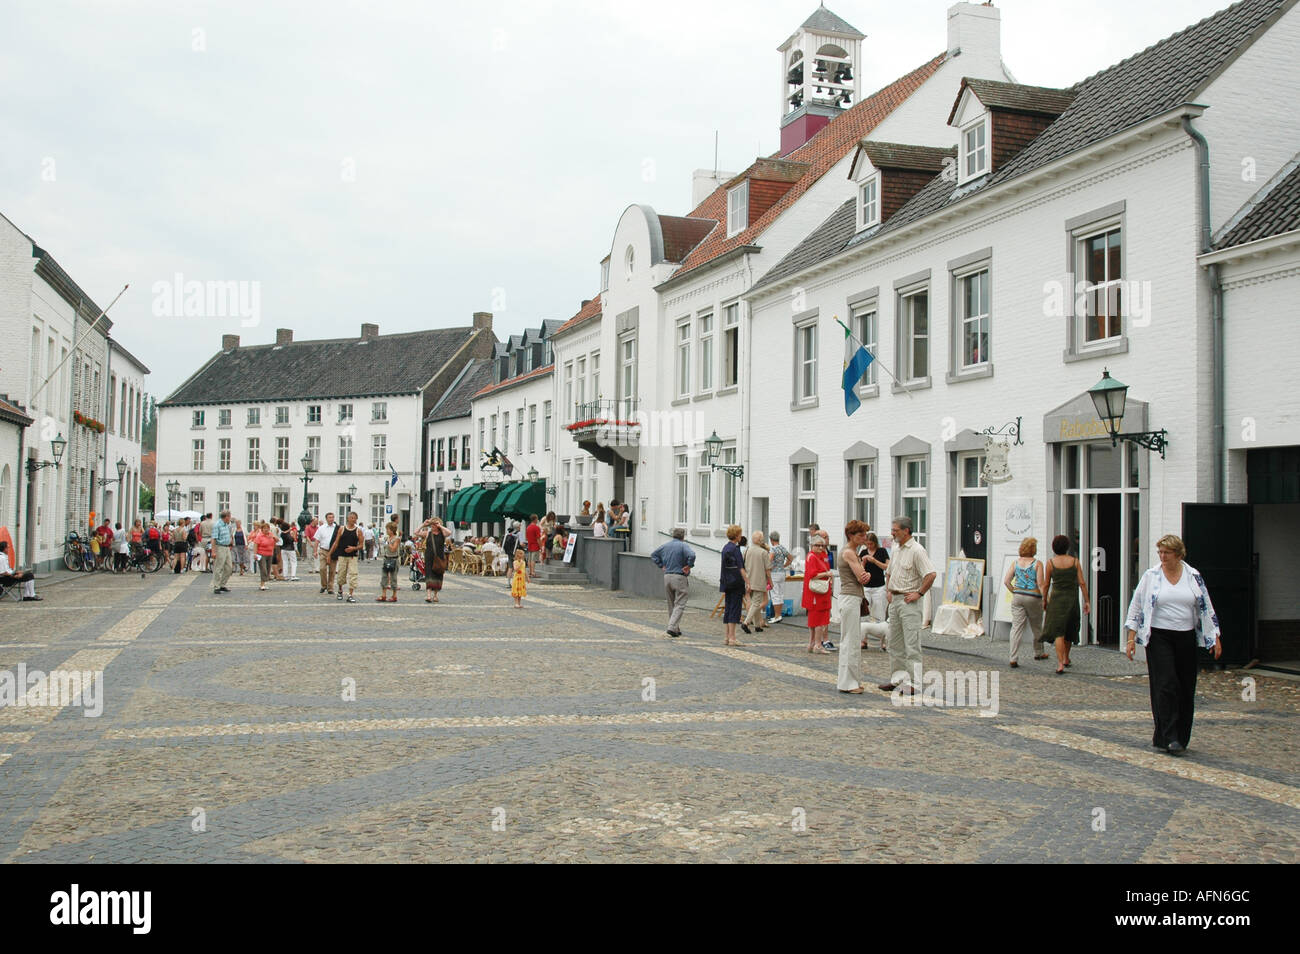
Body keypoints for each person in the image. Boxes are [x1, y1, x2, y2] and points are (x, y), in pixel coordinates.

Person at [1124, 534, 1222, 756]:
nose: (1162, 556)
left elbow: (1206, 607)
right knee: (1166, 683)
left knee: (1185, 686)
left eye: (1166, 553)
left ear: (1178, 554)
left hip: (1185, 636)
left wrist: (1214, 637)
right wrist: (1131, 638)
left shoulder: (1193, 576)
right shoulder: (1151, 576)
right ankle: (1169, 736)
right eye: (1160, 552)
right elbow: (1136, 606)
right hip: (1159, 636)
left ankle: (1180, 735)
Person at [881, 516, 936, 694]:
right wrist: (889, 589)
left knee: (911, 643)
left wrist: (919, 593)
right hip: (895, 600)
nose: (892, 533)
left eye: (895, 530)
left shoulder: (917, 550)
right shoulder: (896, 549)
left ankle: (916, 683)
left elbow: (930, 574)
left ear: (906, 531)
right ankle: (897, 679)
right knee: (894, 643)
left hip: (908, 601)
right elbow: (889, 571)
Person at [1042, 534, 1090, 675]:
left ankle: (1059, 663)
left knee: (1058, 632)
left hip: (1056, 600)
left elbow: (1045, 585)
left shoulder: (1050, 563)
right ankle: (1066, 658)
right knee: (1070, 629)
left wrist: (1044, 600)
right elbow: (1082, 582)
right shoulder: (1075, 562)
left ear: (1054, 548)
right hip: (1071, 598)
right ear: (1067, 547)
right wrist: (1087, 601)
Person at [837, 521, 873, 692]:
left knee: (852, 639)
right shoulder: (849, 553)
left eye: (865, 534)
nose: (864, 538)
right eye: (861, 535)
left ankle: (853, 680)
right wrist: (867, 573)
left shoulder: (853, 553)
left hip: (852, 597)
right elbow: (862, 578)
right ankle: (848, 683)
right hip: (850, 597)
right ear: (851, 535)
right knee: (850, 641)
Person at [1004, 537, 1047, 667]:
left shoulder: (1015, 563)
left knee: (1016, 628)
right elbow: (1040, 583)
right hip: (1033, 597)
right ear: (1033, 549)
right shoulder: (1037, 564)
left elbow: (1006, 581)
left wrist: (1015, 591)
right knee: (1037, 626)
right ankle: (1039, 652)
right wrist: (1045, 598)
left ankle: (1013, 657)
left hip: (1018, 597)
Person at [651, 527, 695, 638]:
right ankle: (671, 626)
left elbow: (654, 555)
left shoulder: (666, 545)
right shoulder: (683, 545)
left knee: (671, 603)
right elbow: (692, 555)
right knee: (680, 603)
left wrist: (661, 565)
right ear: (683, 536)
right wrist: (688, 566)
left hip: (667, 576)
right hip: (679, 577)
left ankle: (676, 628)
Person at [858, 532, 889, 650]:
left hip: (879, 586)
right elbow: (859, 568)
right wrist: (864, 561)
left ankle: (883, 641)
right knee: (865, 612)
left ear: (875, 543)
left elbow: (887, 567)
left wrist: (875, 561)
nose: (869, 546)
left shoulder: (882, 551)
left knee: (879, 613)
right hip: (866, 586)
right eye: (867, 544)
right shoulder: (863, 552)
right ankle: (863, 640)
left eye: (871, 544)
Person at [802, 538, 833, 653]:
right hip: (817, 592)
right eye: (817, 545)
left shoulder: (821, 555)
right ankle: (818, 645)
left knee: (816, 619)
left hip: (821, 591)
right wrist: (826, 574)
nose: (820, 548)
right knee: (819, 619)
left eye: (822, 546)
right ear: (812, 545)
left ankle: (812, 643)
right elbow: (812, 574)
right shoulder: (812, 557)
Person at [719, 525, 747, 647]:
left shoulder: (725, 548)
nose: (741, 536)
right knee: (735, 609)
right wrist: (748, 582)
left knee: (728, 608)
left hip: (726, 582)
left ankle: (727, 636)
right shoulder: (735, 550)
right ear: (736, 536)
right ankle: (732, 638)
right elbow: (741, 568)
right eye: (740, 534)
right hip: (736, 582)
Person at [741, 531, 771, 635]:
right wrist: (770, 582)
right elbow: (768, 570)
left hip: (748, 580)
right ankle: (746, 622)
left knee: (754, 601)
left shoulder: (747, 550)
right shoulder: (764, 553)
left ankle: (757, 625)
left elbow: (743, 565)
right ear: (761, 540)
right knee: (756, 603)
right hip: (759, 580)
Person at [330, 512, 364, 602]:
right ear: (348, 519)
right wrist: (330, 554)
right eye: (352, 518)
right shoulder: (342, 529)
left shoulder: (358, 531)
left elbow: (361, 545)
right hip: (342, 555)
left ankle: (350, 594)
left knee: (353, 574)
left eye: (355, 518)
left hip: (353, 556)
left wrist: (354, 548)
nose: (353, 520)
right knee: (341, 573)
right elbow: (336, 542)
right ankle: (340, 590)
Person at [423, 517, 452, 603]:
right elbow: (416, 532)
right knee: (429, 575)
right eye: (432, 524)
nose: (433, 526)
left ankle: (435, 595)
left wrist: (440, 526)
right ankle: (428, 595)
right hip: (429, 557)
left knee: (437, 575)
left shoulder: (442, 533)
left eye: (435, 524)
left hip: (439, 557)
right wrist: (423, 525)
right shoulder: (428, 533)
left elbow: (449, 532)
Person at [768, 531, 792, 624]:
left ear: (771, 539)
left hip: (774, 574)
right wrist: (783, 566)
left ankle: (777, 615)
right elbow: (790, 558)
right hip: (782, 573)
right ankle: (779, 614)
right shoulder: (782, 548)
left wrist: (769, 567)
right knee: (781, 594)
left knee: (775, 595)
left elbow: (769, 560)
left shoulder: (773, 549)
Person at [211, 510, 234, 593]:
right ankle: (216, 586)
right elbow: (213, 539)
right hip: (220, 547)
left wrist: (231, 542)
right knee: (219, 567)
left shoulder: (227, 525)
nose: (230, 518)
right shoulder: (217, 525)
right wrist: (213, 551)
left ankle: (222, 584)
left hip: (227, 547)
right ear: (226, 517)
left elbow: (230, 534)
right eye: (229, 517)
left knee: (229, 567)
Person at [378, 521, 402, 602]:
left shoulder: (396, 539)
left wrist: (388, 543)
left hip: (394, 559)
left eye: (388, 529)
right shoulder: (387, 538)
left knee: (393, 577)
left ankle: (394, 595)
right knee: (384, 577)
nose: (387, 531)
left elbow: (393, 549)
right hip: (386, 558)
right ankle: (383, 595)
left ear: (392, 530)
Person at [315, 512, 338, 594]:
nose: (331, 519)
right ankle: (324, 585)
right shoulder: (322, 528)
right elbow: (317, 540)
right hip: (323, 550)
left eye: (332, 517)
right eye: (329, 517)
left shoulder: (337, 528)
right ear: (326, 519)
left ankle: (330, 587)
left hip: (333, 551)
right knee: (322, 568)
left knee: (332, 570)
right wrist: (315, 551)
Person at [252, 522, 276, 590]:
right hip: (261, 554)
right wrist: (255, 554)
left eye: (267, 528)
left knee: (268, 569)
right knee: (263, 569)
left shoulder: (271, 535)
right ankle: (262, 584)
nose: (266, 529)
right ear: (262, 529)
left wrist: (274, 537)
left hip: (270, 554)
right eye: (264, 528)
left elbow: (277, 541)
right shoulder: (259, 536)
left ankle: (264, 583)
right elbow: (256, 545)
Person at [525, 514, 542, 578]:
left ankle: (530, 572)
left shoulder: (528, 527)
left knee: (529, 559)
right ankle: (533, 572)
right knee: (533, 560)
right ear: (535, 519)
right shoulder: (536, 528)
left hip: (529, 545)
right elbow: (538, 538)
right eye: (537, 519)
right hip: (535, 545)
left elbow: (527, 537)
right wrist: (541, 546)